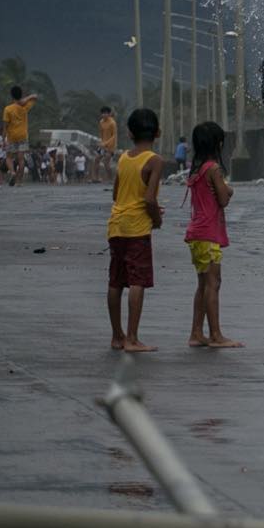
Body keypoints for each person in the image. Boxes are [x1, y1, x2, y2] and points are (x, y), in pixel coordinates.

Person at [107, 107, 164, 353]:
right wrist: (156, 219)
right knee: (137, 281)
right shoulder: (154, 160)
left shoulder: (123, 158)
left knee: (116, 281)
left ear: (129, 133)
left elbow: (115, 193)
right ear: (158, 132)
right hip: (137, 228)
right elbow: (150, 199)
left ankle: (117, 336)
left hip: (116, 225)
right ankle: (132, 338)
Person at [183, 121, 242, 350]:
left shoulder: (196, 168)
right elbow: (223, 200)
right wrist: (229, 189)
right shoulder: (214, 169)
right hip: (208, 234)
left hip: (197, 233)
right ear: (217, 144)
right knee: (214, 283)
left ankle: (196, 333)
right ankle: (216, 335)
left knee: (203, 284)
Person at [1, 86, 37, 187]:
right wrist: (26, 99)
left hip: (12, 136)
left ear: (11, 95)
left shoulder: (7, 109)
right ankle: (19, 181)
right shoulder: (25, 107)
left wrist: (3, 139)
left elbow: (5, 126)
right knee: (21, 159)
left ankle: (12, 172)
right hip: (23, 136)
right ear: (21, 95)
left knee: (9, 157)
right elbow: (35, 97)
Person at [96, 106, 117, 184]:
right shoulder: (101, 122)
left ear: (109, 114)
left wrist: (106, 143)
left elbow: (114, 136)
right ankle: (96, 178)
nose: (104, 115)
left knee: (106, 162)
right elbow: (101, 133)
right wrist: (101, 142)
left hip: (110, 146)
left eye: (105, 113)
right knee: (97, 159)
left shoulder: (112, 123)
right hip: (102, 145)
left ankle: (111, 179)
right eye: (102, 113)